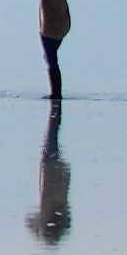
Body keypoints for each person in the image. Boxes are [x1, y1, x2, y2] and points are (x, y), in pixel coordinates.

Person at [25, 0, 73, 100]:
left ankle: (56, 93)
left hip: (49, 26)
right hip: (63, 23)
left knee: (51, 60)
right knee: (52, 58)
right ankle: (56, 91)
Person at [29, 105, 73, 246]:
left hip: (53, 170)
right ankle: (56, 108)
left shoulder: (57, 212)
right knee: (52, 134)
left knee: (52, 134)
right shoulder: (56, 212)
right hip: (51, 169)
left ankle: (56, 106)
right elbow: (29, 223)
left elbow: (30, 223)